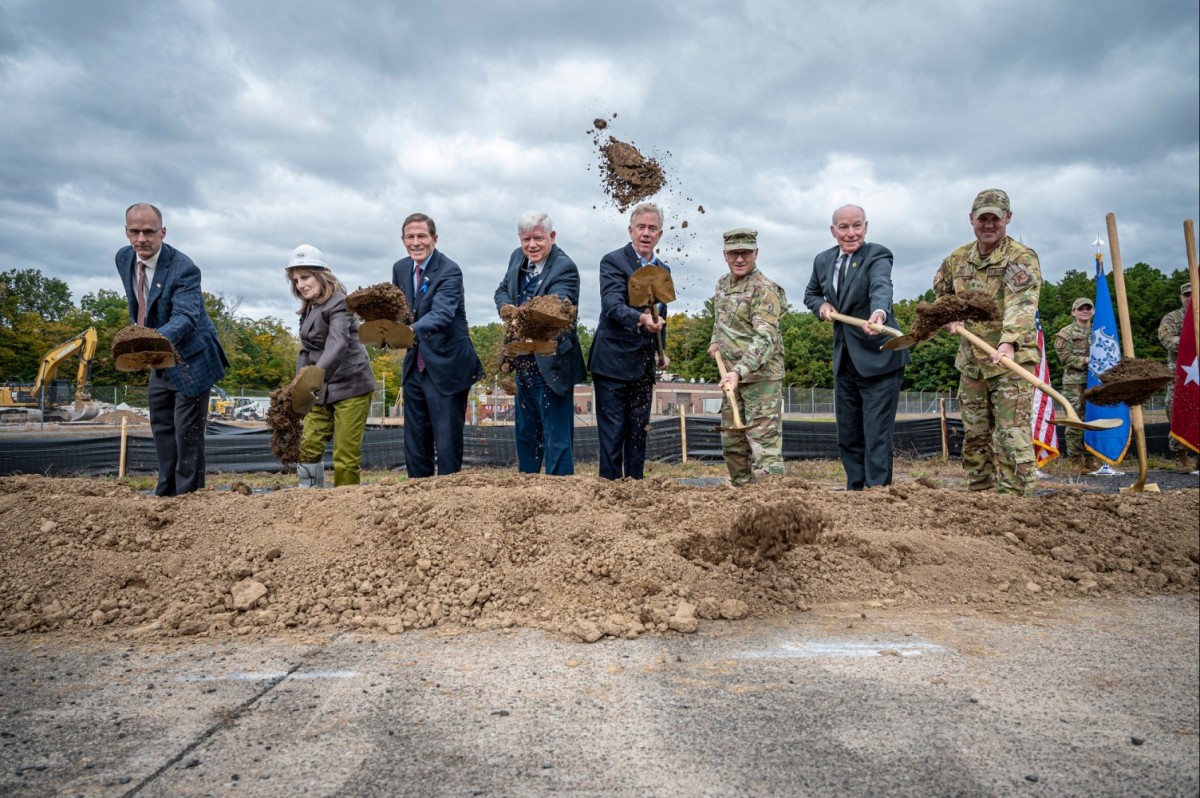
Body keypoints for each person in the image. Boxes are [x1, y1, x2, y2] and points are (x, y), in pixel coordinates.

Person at [932, 188, 1042, 496]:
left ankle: (1015, 502)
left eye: (995, 218)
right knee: (975, 435)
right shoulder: (957, 259)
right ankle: (980, 499)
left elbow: (1023, 303)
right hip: (972, 362)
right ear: (971, 220)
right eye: (983, 219)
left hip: (1010, 361)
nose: (989, 224)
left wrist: (1009, 343)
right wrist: (949, 314)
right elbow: (941, 292)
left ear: (1008, 218)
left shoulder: (1020, 258)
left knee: (1012, 435)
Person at [115, 203, 229, 497]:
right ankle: (165, 493)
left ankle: (188, 498)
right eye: (135, 231)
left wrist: (145, 342)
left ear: (162, 232)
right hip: (160, 359)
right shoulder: (124, 258)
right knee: (163, 430)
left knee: (187, 435)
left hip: (193, 359)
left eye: (149, 232)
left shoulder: (184, 269)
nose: (142, 239)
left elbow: (186, 318)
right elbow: (142, 302)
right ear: (126, 232)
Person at [804, 206, 910, 490]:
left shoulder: (877, 254)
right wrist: (822, 306)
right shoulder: (823, 260)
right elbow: (811, 294)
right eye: (844, 227)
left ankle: (877, 494)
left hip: (879, 358)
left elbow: (881, 286)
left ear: (866, 226)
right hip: (845, 359)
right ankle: (856, 489)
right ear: (833, 230)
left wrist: (879, 313)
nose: (851, 233)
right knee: (848, 432)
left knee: (876, 432)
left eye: (857, 226)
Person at [494, 212, 587, 475]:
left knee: (555, 436)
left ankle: (559, 493)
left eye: (538, 238)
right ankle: (528, 486)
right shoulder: (516, 258)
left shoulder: (564, 267)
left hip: (552, 362)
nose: (532, 245)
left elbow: (556, 309)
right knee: (526, 433)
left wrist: (519, 314)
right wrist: (505, 306)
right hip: (523, 360)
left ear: (552, 237)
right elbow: (501, 290)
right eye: (526, 239)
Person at [391, 213, 484, 477]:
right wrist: (386, 329)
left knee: (446, 442)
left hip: (447, 366)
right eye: (410, 237)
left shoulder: (449, 270)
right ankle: (417, 496)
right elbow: (402, 310)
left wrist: (406, 331)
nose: (416, 242)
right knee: (415, 439)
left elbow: (441, 314)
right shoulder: (400, 268)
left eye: (422, 236)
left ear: (434, 238)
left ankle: (448, 501)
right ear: (403, 240)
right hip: (415, 367)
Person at [587, 202, 670, 480]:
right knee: (613, 435)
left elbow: (662, 315)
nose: (646, 233)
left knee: (638, 434)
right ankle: (609, 494)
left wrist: (662, 352)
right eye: (641, 227)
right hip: (612, 364)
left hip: (643, 367)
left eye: (652, 228)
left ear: (659, 234)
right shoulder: (612, 262)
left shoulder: (662, 269)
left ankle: (635, 490)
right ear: (630, 230)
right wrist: (641, 319)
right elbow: (611, 305)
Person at [286, 245, 377, 488]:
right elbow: (306, 349)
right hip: (320, 388)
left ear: (321, 274)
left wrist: (313, 378)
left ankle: (344, 511)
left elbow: (337, 344)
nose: (300, 284)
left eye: (305, 277)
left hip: (351, 385)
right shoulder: (308, 307)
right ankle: (310, 499)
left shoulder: (340, 303)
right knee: (308, 446)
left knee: (344, 457)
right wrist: (298, 384)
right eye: (296, 280)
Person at [708, 228, 787, 485]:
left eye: (745, 253)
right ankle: (743, 495)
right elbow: (719, 321)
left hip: (761, 379)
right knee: (732, 444)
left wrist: (738, 371)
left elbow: (766, 338)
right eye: (734, 253)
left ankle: (774, 504)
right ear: (725, 255)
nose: (739, 259)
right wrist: (714, 342)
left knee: (764, 447)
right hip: (731, 379)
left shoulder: (765, 290)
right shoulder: (722, 284)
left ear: (756, 253)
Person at [1054, 297, 1093, 460]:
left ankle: (1092, 457)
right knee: (1075, 420)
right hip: (1074, 383)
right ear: (1073, 312)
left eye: (1088, 308)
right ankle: (1076, 459)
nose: (1085, 311)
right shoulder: (1066, 333)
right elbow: (1064, 357)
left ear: (1093, 311)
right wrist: (1085, 360)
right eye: (1080, 309)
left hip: (1096, 381)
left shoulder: (1100, 330)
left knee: (1094, 419)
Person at [1158, 282, 1193, 457]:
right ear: (1181, 298)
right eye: (1187, 295)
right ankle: (1180, 455)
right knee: (1175, 410)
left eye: (1194, 294)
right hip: (1179, 373)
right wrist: (1190, 344)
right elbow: (1167, 339)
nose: (1190, 298)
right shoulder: (1172, 318)